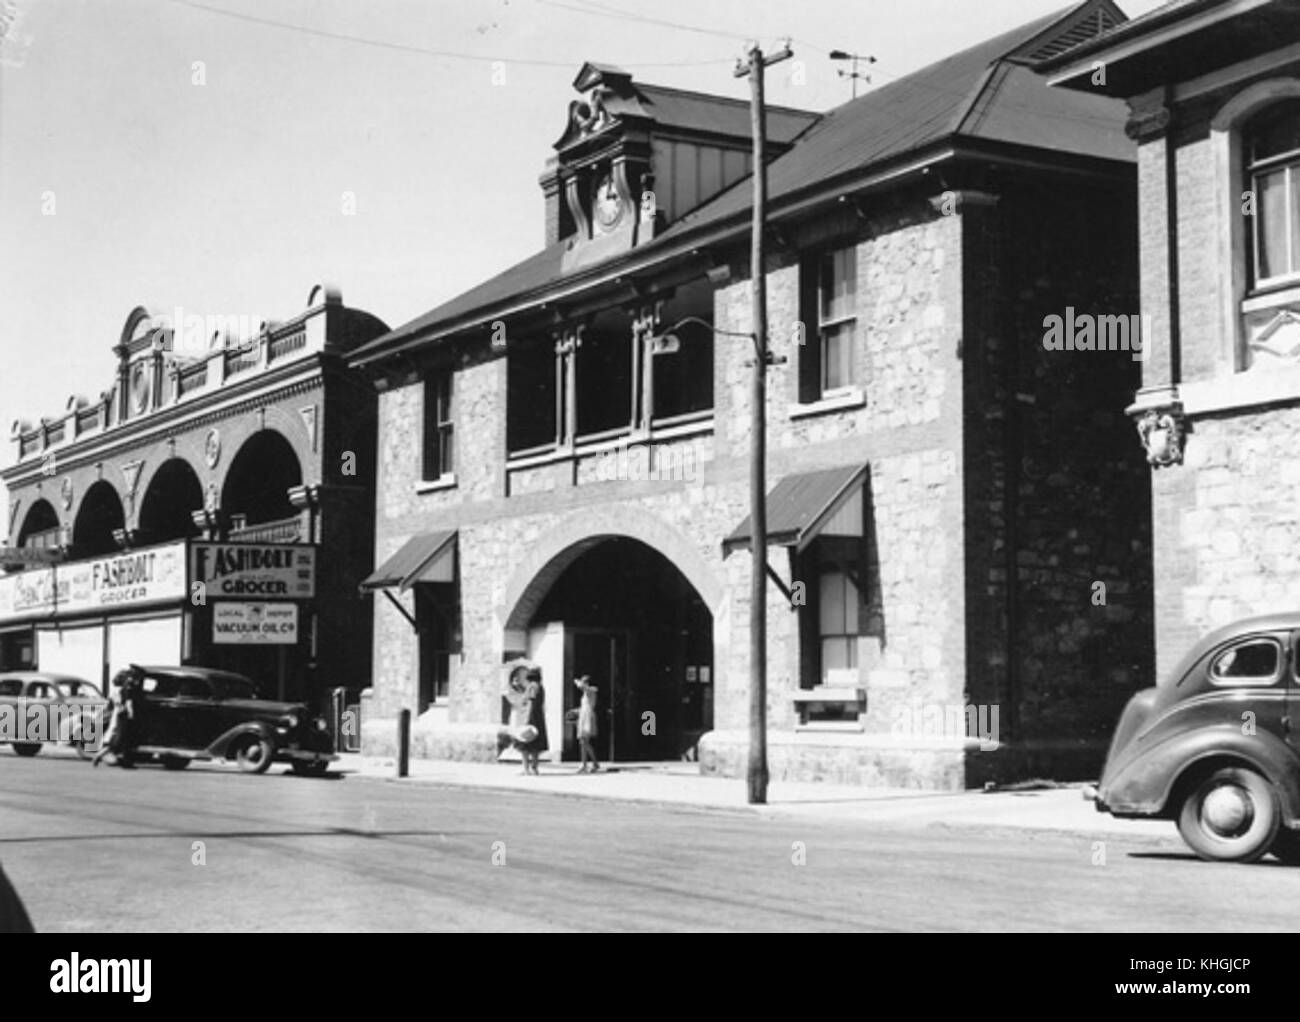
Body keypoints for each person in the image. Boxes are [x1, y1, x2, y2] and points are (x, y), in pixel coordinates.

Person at [92, 669, 140, 769]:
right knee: (118, 739)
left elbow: (111, 704)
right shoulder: (125, 689)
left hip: (117, 714)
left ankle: (105, 755)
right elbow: (127, 702)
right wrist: (131, 713)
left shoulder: (115, 691)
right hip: (122, 715)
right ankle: (100, 755)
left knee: (117, 738)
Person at [516, 667, 549, 776]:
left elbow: (530, 702)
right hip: (538, 717)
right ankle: (534, 767)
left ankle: (526, 768)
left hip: (530, 717)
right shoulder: (540, 686)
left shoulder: (532, 686)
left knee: (525, 744)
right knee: (535, 745)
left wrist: (526, 720)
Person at [574, 675, 600, 774]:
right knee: (582, 741)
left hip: (587, 716)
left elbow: (585, 687)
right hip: (584, 715)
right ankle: (585, 763)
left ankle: (591, 763)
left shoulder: (591, 690)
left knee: (584, 740)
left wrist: (578, 682)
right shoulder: (586, 692)